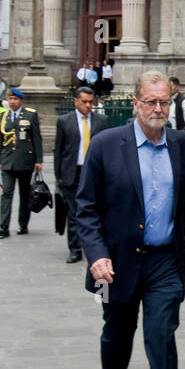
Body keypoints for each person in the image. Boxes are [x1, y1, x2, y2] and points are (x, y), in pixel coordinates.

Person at [75, 70, 185, 369]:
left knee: (161, 337)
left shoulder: (182, 144)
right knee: (117, 330)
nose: (158, 109)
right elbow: (86, 208)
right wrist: (97, 255)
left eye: (164, 102)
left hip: (164, 260)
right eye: (151, 102)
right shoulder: (107, 144)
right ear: (135, 103)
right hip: (115, 263)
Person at [53, 86, 108, 263]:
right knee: (74, 213)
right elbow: (59, 149)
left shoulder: (102, 120)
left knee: (95, 210)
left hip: (94, 172)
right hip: (72, 172)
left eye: (90, 102)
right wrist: (58, 175)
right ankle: (75, 248)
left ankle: (94, 246)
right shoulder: (64, 121)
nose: (87, 105)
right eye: (84, 102)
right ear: (76, 101)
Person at [0, 89, 43, 238]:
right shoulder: (4, 115)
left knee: (24, 195)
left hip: (25, 161)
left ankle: (23, 225)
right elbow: (0, 139)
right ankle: (3, 227)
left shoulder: (30, 114)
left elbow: (36, 138)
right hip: (8, 161)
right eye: (10, 99)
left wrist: (38, 160)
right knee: (6, 194)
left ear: (21, 100)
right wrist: (0, 159)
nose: (12, 102)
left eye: (15, 99)